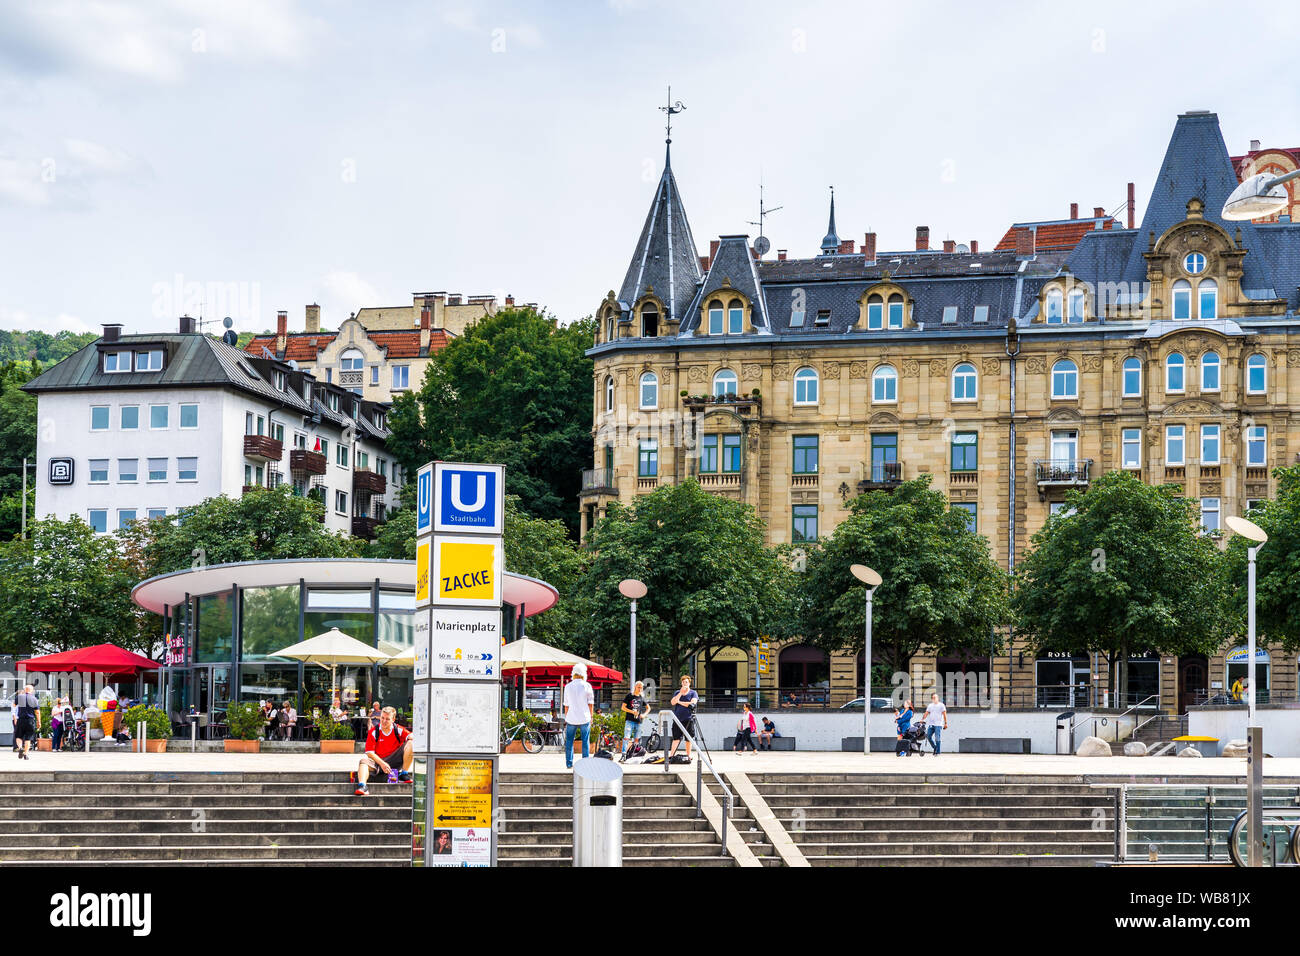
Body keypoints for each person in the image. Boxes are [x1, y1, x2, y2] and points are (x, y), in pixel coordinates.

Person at [354, 706, 413, 796]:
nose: (384, 721)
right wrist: (382, 763)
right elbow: (369, 753)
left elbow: (411, 736)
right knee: (363, 762)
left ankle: (403, 774)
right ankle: (362, 786)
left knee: (411, 743)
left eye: (387, 719)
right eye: (382, 718)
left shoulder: (398, 729)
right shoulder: (373, 731)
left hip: (395, 760)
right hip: (379, 762)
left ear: (393, 719)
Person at [563, 663, 594, 770]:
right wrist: (591, 716)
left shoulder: (568, 686)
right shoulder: (587, 685)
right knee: (585, 741)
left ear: (573, 673)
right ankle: (585, 763)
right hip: (584, 717)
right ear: (584, 674)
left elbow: (566, 705)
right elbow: (590, 703)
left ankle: (569, 763)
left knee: (569, 741)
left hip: (571, 717)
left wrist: (567, 716)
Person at [667, 675, 698, 762]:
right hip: (678, 719)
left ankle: (688, 755)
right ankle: (671, 755)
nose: (685, 684)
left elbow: (692, 704)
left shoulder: (693, 693)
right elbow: (673, 702)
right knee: (676, 738)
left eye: (686, 682)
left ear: (689, 683)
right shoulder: (677, 692)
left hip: (688, 718)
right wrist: (680, 693)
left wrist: (679, 702)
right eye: (683, 682)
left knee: (688, 738)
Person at [13, 684, 40, 760]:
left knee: (18, 736)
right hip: (30, 720)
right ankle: (26, 754)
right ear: (31, 690)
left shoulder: (19, 697)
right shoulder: (34, 699)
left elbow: (14, 706)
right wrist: (39, 722)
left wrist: (15, 716)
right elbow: (37, 712)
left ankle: (20, 748)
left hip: (21, 720)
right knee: (28, 738)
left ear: (25, 690)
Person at [620, 680, 645, 759]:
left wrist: (644, 715)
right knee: (626, 737)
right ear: (635, 687)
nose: (640, 689)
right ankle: (624, 754)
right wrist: (632, 712)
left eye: (641, 688)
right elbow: (623, 707)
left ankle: (634, 754)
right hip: (629, 720)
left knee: (637, 739)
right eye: (638, 687)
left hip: (638, 721)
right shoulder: (629, 696)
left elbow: (648, 707)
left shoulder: (641, 697)